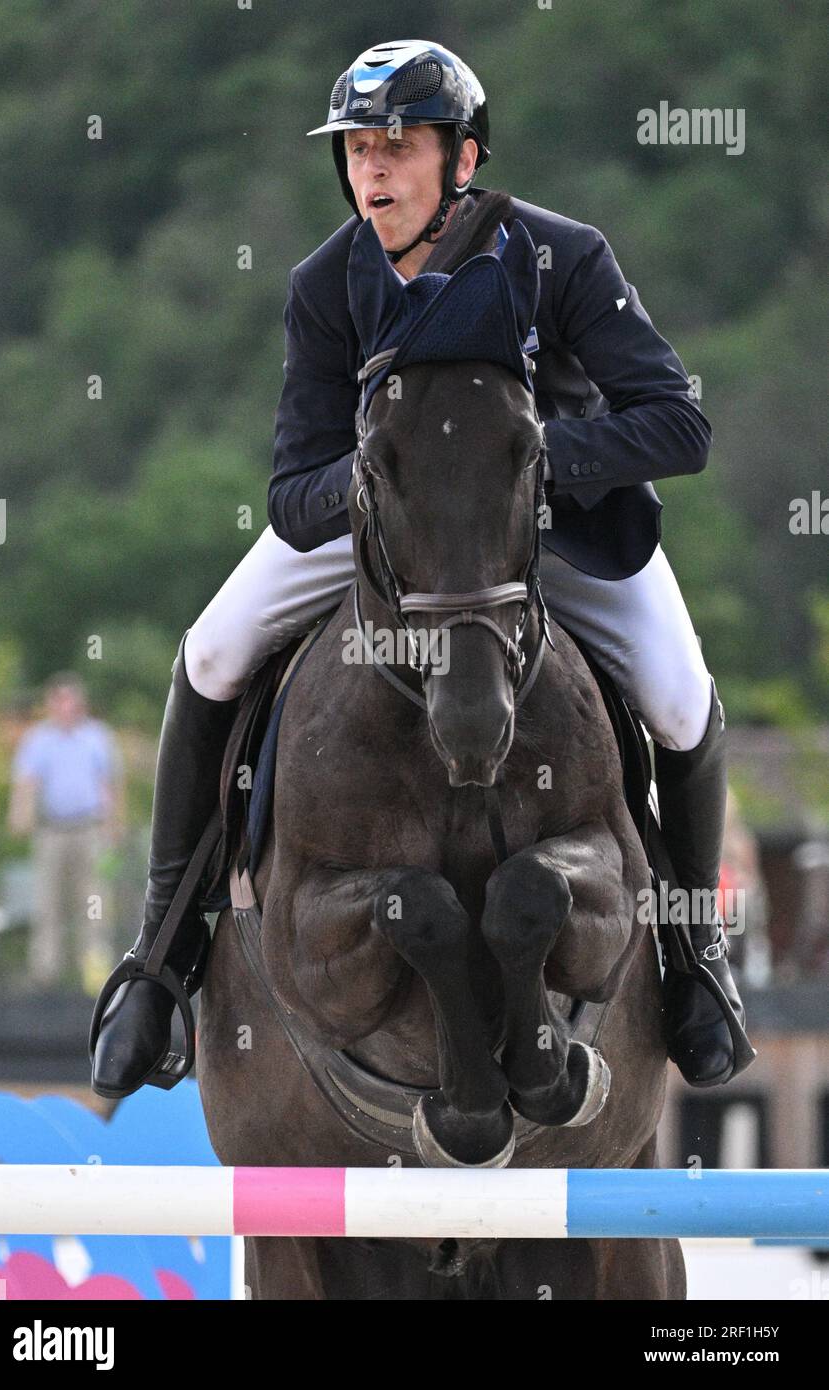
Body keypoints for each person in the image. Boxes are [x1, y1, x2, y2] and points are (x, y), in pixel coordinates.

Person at [91, 39, 751, 1098]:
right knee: (211, 651)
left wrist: (527, 469)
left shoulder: (560, 256)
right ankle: (159, 961)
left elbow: (678, 423)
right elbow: (289, 486)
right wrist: (378, 489)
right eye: (356, 148)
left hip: (548, 531)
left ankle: (693, 960)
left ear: (463, 156)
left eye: (396, 145)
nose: (371, 170)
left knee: (676, 698)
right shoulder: (325, 284)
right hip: (390, 540)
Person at [8, 673, 123, 990]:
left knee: (94, 901)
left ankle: (95, 973)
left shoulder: (97, 737)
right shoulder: (38, 740)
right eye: (59, 701)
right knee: (48, 904)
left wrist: (114, 828)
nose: (66, 707)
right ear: (51, 704)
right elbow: (27, 783)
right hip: (52, 832)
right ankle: (45, 973)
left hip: (90, 831)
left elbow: (109, 785)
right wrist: (20, 815)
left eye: (71, 700)